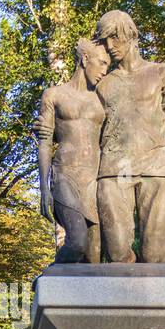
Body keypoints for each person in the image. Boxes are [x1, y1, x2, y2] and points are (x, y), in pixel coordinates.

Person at [92, 9, 165, 264]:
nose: (110, 46)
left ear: (131, 34)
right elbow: (87, 130)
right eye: (104, 41)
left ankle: (163, 303)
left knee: (154, 254)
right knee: (117, 254)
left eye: (115, 37)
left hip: (156, 169)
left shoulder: (163, 73)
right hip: (113, 172)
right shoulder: (102, 84)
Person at [34, 38, 110, 263]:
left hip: (95, 180)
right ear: (85, 59)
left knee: (93, 259)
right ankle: (49, 283)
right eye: (102, 63)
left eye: (108, 65)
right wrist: (44, 188)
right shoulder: (54, 95)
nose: (105, 71)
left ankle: (75, 296)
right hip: (65, 175)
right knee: (77, 242)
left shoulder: (102, 99)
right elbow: (45, 141)